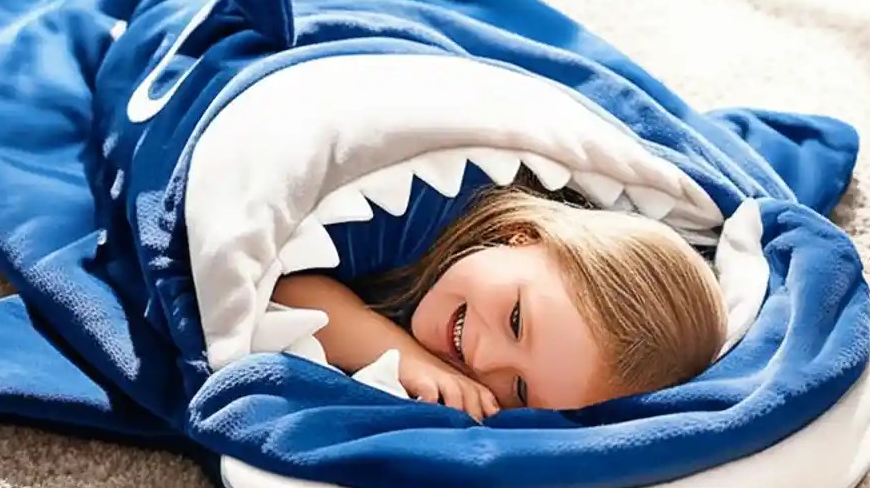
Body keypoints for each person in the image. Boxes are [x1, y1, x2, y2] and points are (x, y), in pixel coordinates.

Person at [272, 176, 728, 422]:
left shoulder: (507, 290)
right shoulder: (411, 201)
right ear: (523, 235)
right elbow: (280, 285)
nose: (484, 359)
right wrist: (409, 359)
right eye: (515, 321)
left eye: (520, 389)